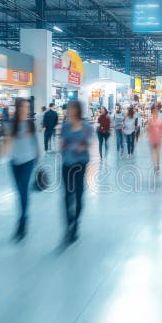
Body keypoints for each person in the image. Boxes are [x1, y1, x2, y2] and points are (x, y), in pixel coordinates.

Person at [4, 98, 39, 243]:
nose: (26, 108)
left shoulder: (30, 123)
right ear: (18, 108)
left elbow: (35, 143)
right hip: (14, 162)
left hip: (28, 161)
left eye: (27, 106)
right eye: (23, 106)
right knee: (19, 191)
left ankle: (22, 223)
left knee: (23, 190)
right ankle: (24, 217)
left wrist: (38, 158)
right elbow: (7, 142)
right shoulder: (11, 124)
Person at [60, 101, 92, 244]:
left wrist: (75, 146)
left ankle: (76, 224)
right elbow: (62, 144)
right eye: (69, 109)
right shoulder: (65, 126)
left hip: (80, 164)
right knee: (67, 195)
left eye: (73, 109)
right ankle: (68, 225)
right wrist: (71, 146)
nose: (70, 111)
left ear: (78, 110)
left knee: (78, 195)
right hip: (66, 164)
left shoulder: (86, 127)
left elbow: (86, 145)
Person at [147, 105, 162, 171]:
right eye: (154, 111)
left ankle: (157, 165)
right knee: (154, 153)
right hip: (152, 139)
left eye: (156, 111)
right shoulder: (150, 120)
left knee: (157, 153)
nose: (155, 112)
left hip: (158, 139)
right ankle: (155, 165)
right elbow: (148, 129)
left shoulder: (160, 120)